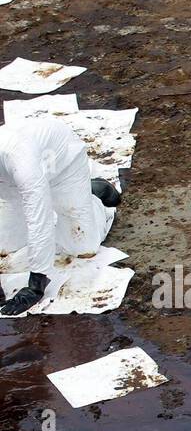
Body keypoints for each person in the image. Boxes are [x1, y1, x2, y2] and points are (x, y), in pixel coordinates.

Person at [0, 118, 121, 316]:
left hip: (62, 168)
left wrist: (36, 283)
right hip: (10, 183)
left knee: (82, 247)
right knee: (6, 245)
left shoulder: (21, 160)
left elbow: (41, 219)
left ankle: (93, 194)